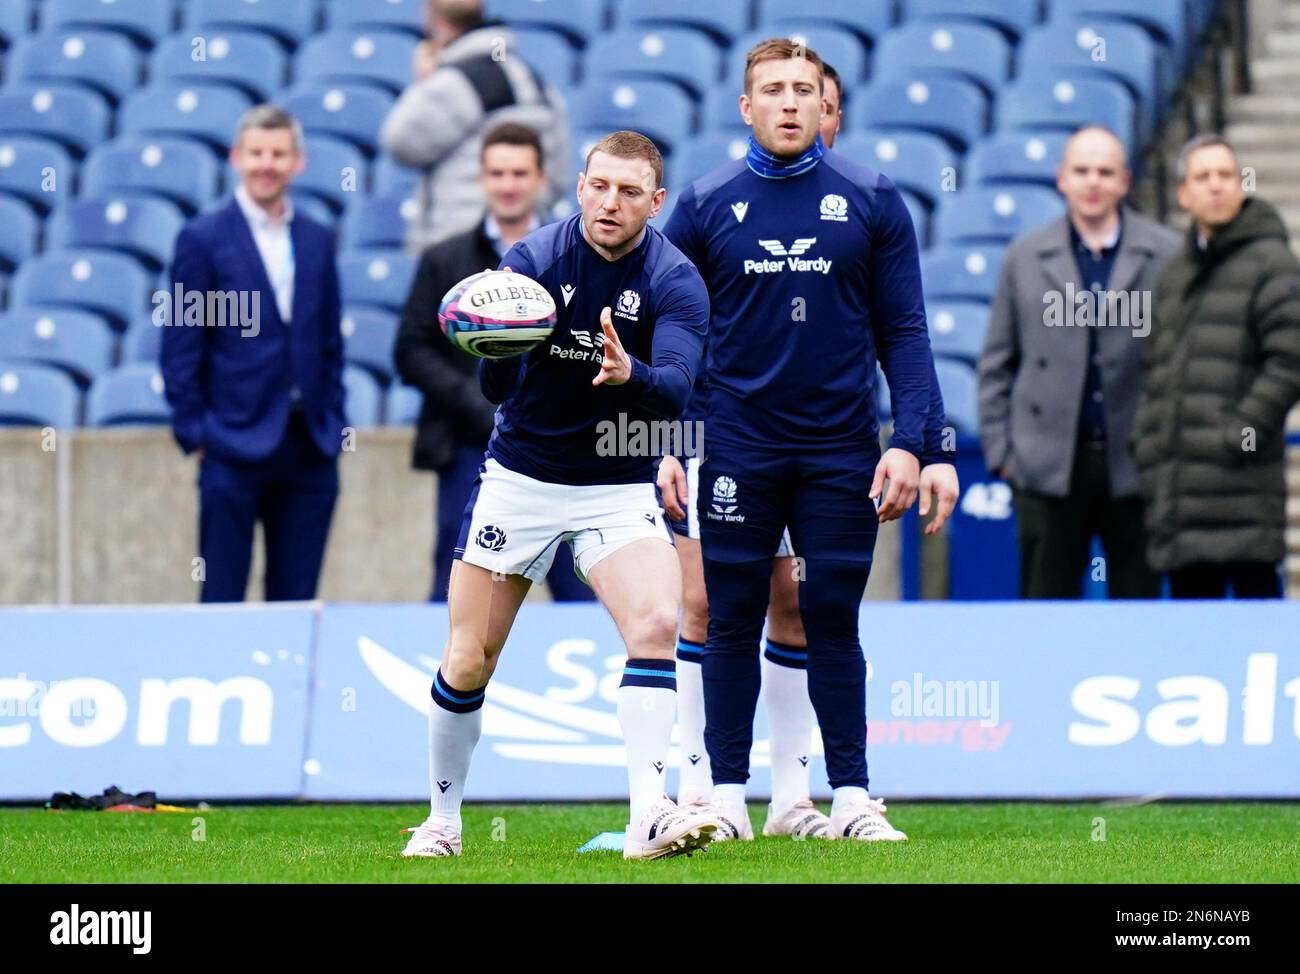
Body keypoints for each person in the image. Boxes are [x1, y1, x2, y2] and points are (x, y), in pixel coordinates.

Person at [658, 57, 958, 842]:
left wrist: (917, 445)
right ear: (746, 106)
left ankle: (852, 796)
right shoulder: (702, 205)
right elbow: (674, 334)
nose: (789, 105)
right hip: (736, 446)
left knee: (830, 614)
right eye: (773, 92)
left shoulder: (872, 199)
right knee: (730, 615)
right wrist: (668, 441)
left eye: (803, 92)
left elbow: (907, 331)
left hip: (840, 451)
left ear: (824, 106)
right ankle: (725, 799)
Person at [400, 131, 716, 861]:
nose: (611, 203)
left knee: (657, 620)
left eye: (630, 191)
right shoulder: (533, 264)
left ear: (656, 201)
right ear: (580, 187)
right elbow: (495, 390)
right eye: (600, 186)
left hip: (615, 480)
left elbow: (676, 389)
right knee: (469, 655)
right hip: (522, 479)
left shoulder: (675, 279)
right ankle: (442, 822)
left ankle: (650, 820)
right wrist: (502, 348)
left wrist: (627, 371)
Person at [393, 122, 594, 603]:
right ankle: (448, 677)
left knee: (581, 590)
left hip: (564, 451)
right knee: (459, 585)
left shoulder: (578, 256)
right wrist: (478, 402)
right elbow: (411, 350)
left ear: (541, 178)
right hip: (470, 449)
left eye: (519, 173)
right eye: (497, 173)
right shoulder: (445, 258)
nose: (508, 184)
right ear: (482, 179)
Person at [978, 126, 1180, 599]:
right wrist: (1004, 454)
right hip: (1046, 467)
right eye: (1082, 171)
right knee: (1044, 611)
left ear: (1124, 181)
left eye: (1105, 172)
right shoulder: (1024, 256)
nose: (1093, 182)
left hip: (1136, 464)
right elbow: (997, 363)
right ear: (1062, 179)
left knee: (1140, 610)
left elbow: (1180, 361)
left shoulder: (1166, 255)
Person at [161, 106, 344, 603]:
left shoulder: (316, 238)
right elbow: (181, 342)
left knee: (296, 601)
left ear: (297, 162)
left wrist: (333, 414)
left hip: (309, 445)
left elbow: (329, 342)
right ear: (237, 158)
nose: (267, 164)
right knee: (221, 596)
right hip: (231, 443)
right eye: (257, 153)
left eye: (278, 154)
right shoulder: (202, 238)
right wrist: (194, 431)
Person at [1134, 133, 1300, 599]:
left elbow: (1290, 360)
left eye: (1225, 175)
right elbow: (1158, 369)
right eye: (1202, 177)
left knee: (1257, 635)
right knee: (1192, 640)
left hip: (1242, 490)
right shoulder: (1174, 274)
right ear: (1183, 194)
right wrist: (1146, 445)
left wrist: (1241, 432)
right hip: (1180, 500)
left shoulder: (1274, 263)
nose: (1216, 186)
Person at [380, 0, 570, 253]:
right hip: (527, 247)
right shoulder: (535, 81)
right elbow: (557, 175)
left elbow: (400, 143)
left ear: (433, 21)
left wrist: (424, 83)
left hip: (455, 249)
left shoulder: (451, 82)